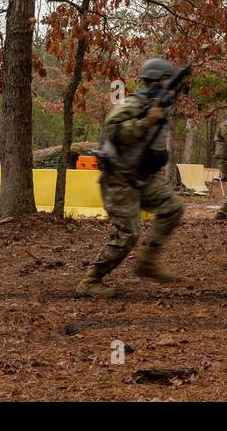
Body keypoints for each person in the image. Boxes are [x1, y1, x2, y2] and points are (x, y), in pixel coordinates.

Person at [77, 58, 185, 298]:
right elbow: (113, 131)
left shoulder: (158, 104)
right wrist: (148, 120)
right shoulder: (134, 104)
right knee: (128, 234)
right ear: (156, 82)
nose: (172, 88)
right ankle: (91, 280)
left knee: (173, 207)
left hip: (142, 178)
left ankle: (147, 263)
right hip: (119, 179)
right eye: (168, 82)